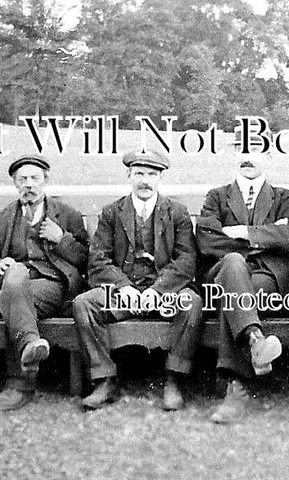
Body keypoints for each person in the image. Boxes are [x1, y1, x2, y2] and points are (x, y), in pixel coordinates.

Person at [72, 147, 203, 411]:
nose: (145, 180)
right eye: (139, 173)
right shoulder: (112, 212)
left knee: (191, 302)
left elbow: (186, 260)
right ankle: (104, 379)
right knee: (84, 304)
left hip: (164, 294)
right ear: (129, 176)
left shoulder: (177, 213)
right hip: (124, 294)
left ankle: (173, 379)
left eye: (151, 174)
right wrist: (123, 287)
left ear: (160, 178)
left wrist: (158, 289)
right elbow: (98, 259)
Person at [196, 135, 289, 424]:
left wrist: (239, 231)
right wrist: (264, 237)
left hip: (268, 278)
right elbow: (206, 241)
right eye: (242, 149)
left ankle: (234, 386)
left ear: (268, 154)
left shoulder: (283, 196)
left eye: (256, 150)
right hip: (225, 274)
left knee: (236, 295)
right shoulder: (217, 196)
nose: (248, 156)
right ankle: (255, 341)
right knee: (232, 265)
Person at [0, 154, 90, 411]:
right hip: (12, 283)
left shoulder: (67, 215)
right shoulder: (3, 217)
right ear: (15, 184)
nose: (29, 184)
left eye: (34, 178)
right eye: (22, 179)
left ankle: (19, 385)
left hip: (51, 284)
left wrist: (62, 239)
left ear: (45, 181)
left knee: (13, 298)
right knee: (15, 279)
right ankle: (30, 345)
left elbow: (86, 259)